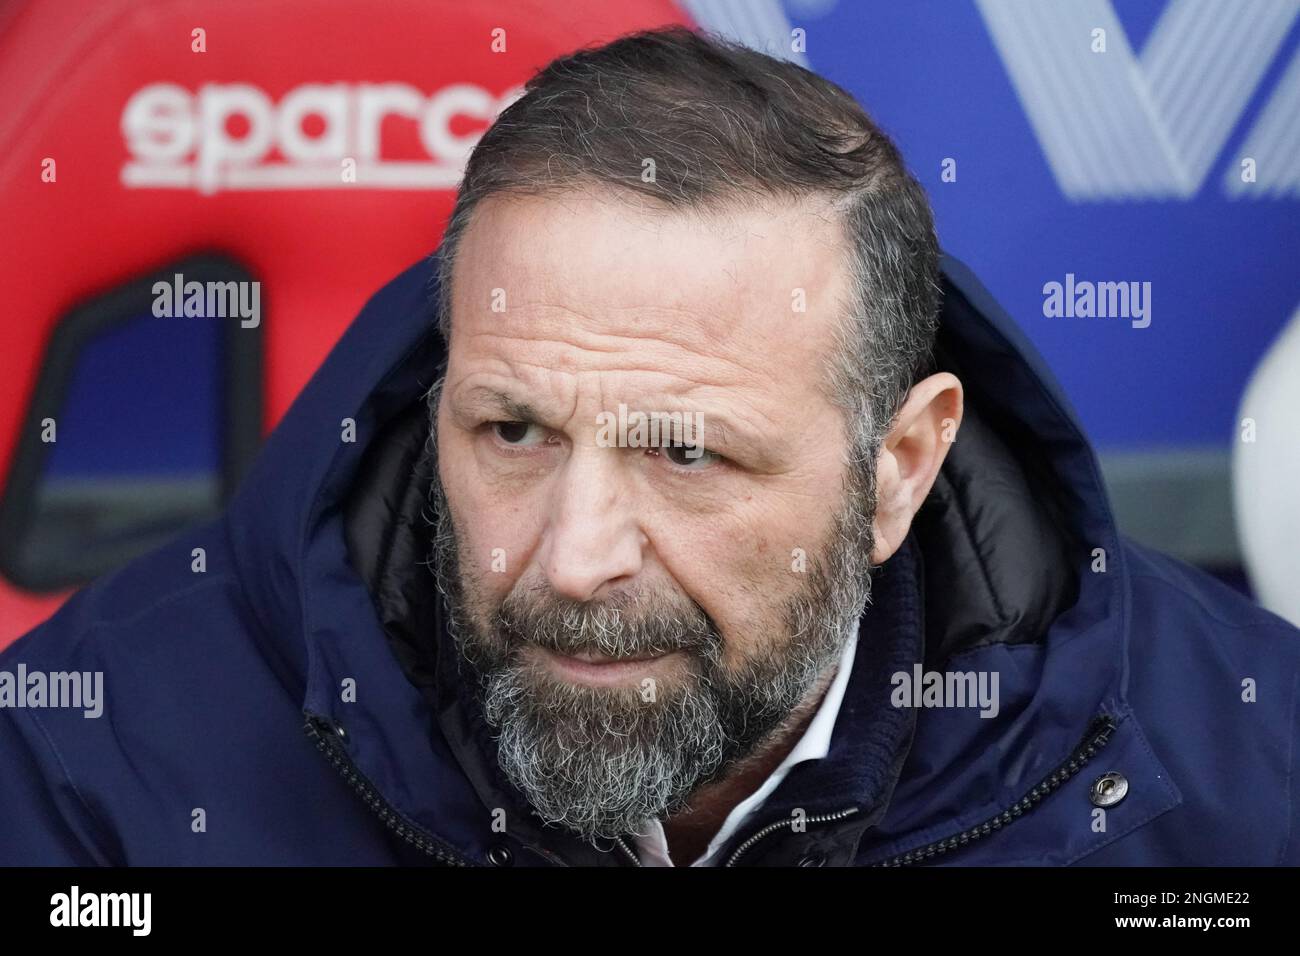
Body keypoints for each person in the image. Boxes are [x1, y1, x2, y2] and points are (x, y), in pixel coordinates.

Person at [2, 26, 1297, 867]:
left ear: (900, 466)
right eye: (512, 430)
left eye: (687, 457)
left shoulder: (1243, 773)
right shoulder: (95, 771)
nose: (572, 558)